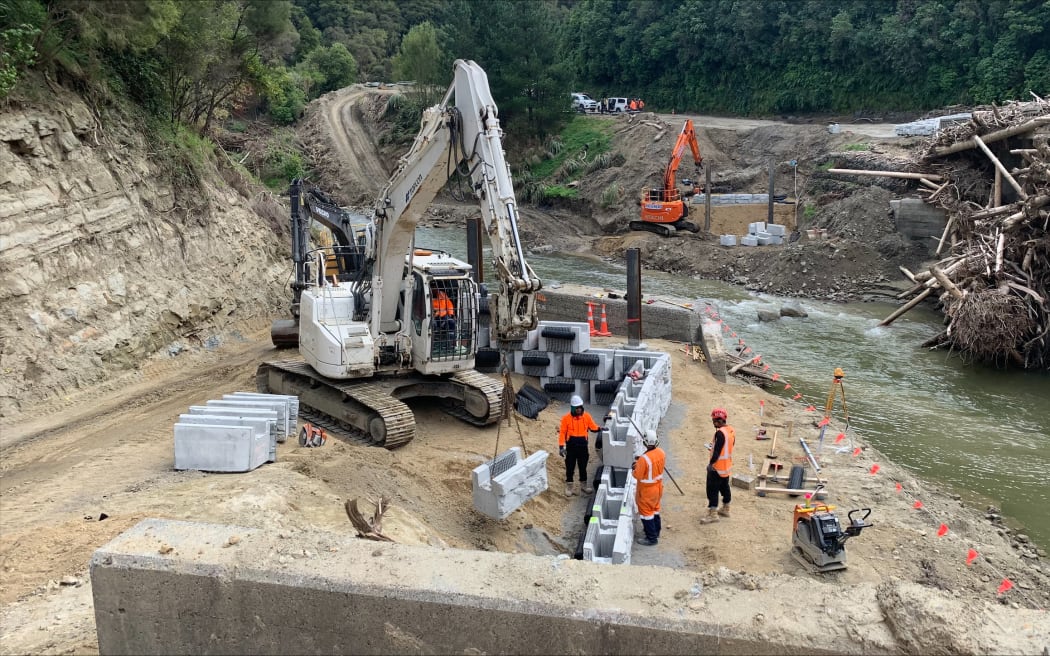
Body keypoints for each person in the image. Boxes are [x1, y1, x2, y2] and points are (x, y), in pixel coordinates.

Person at [557, 395, 601, 497]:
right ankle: (569, 486)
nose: (579, 409)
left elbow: (593, 427)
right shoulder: (566, 419)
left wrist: (600, 429)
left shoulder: (587, 416)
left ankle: (584, 486)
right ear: (572, 408)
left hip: (582, 447)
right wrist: (561, 447)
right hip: (571, 448)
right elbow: (562, 433)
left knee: (583, 467)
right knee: (570, 467)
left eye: (580, 407)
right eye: (576, 408)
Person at [700, 407, 735, 524]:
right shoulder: (730, 431)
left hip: (717, 468)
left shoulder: (720, 433)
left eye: (714, 420)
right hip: (726, 467)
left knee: (712, 490)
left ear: (719, 420)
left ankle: (713, 514)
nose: (713, 423)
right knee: (725, 487)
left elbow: (717, 452)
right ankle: (726, 508)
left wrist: (710, 464)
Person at [633, 429, 666, 546]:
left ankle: (651, 538)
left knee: (646, 513)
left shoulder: (644, 459)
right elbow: (652, 462)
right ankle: (656, 531)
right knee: (655, 509)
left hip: (647, 490)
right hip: (658, 487)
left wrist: (635, 467)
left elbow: (637, 475)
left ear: (645, 442)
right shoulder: (661, 452)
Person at [431, 286, 456, 352]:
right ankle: (432, 345)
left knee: (451, 323)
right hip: (432, 317)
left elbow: (449, 304)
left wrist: (450, 313)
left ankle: (450, 344)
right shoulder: (426, 294)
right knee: (433, 325)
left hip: (443, 316)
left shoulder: (442, 294)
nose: (435, 289)